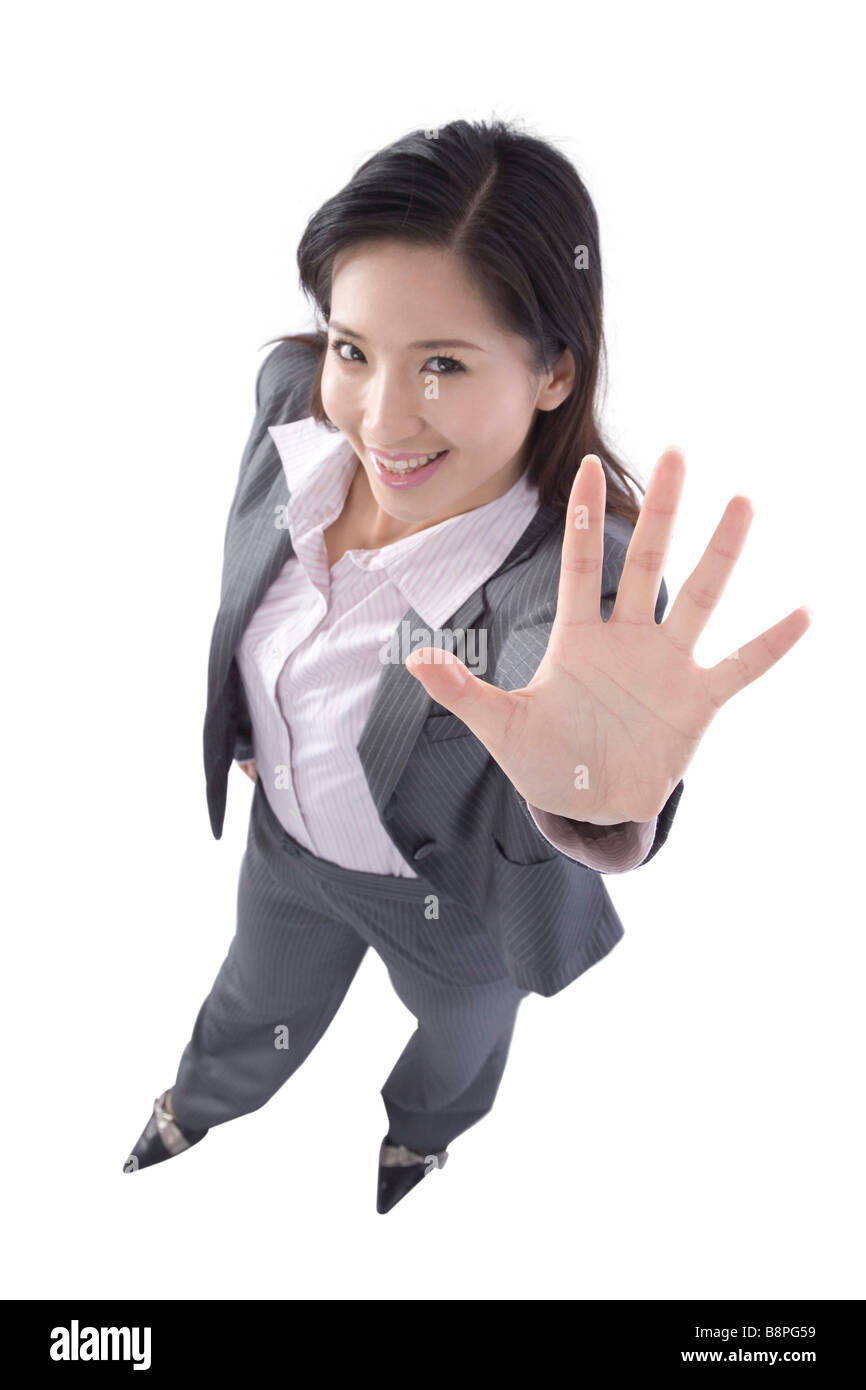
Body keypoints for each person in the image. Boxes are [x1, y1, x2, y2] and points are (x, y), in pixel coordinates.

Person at [123, 118, 810, 1213]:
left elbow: (580, 724)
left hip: (450, 901)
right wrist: (260, 733)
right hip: (287, 850)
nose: (379, 418)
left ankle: (418, 1139)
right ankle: (193, 1108)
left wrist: (596, 800)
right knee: (255, 997)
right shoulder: (288, 404)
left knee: (457, 1040)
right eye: (354, 349)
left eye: (442, 363)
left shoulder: (584, 593)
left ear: (551, 373)